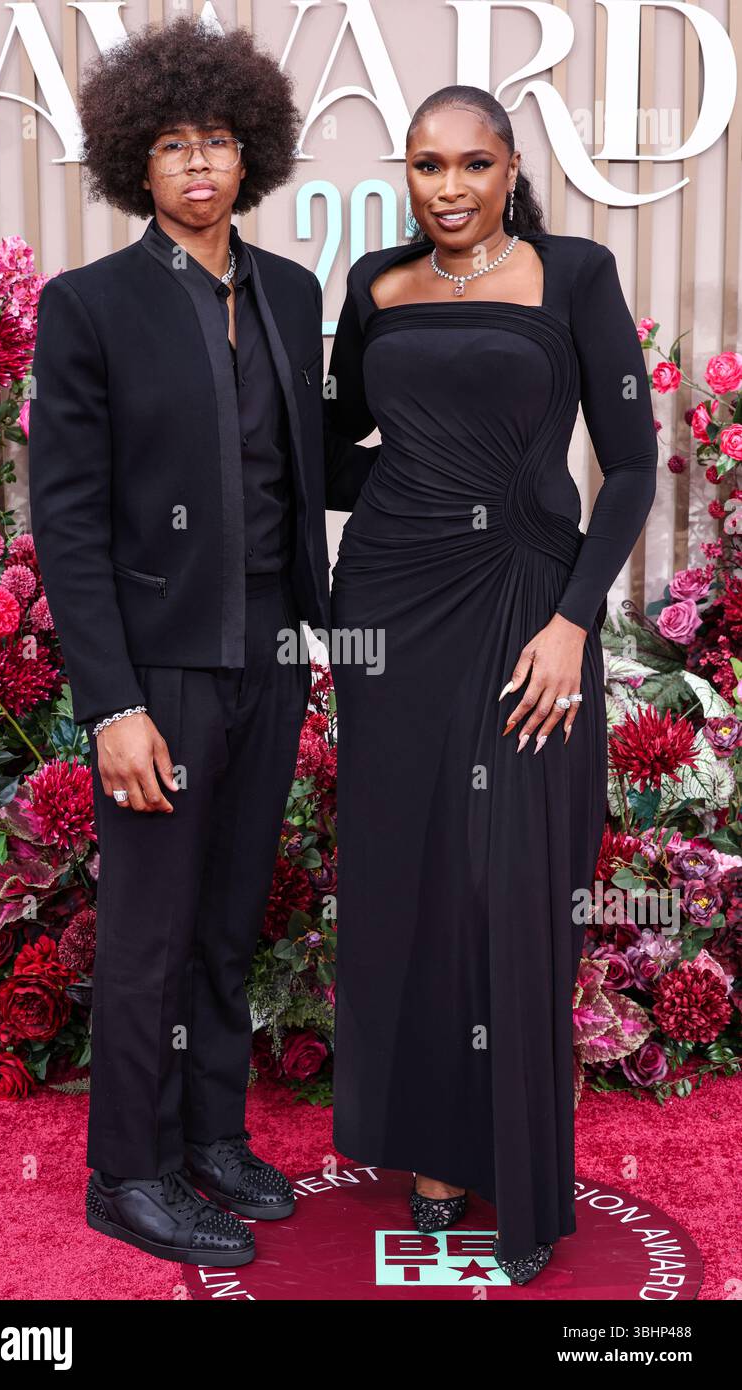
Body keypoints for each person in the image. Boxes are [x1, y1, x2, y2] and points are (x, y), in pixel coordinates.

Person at [324, 85, 658, 1285]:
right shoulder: (371, 284)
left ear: (510, 166)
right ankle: (427, 1151)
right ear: (404, 176)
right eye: (425, 165)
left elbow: (629, 470)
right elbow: (341, 447)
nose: (449, 187)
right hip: (389, 614)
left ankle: (515, 1175)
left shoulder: (573, 274)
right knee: (405, 869)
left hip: (528, 611)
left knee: (511, 880)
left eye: (472, 163)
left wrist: (573, 620)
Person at [28, 16, 338, 1267]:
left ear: (248, 152)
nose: (198, 164)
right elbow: (65, 518)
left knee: (226, 922)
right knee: (150, 932)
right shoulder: (88, 307)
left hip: (273, 655)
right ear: (134, 166)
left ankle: (212, 1137)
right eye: (172, 145)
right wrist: (112, 704)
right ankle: (125, 1173)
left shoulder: (295, 293)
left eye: (216, 140)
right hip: (156, 670)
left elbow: (313, 465)